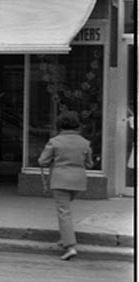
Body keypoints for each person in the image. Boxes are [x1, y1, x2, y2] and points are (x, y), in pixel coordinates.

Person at [38, 111, 94, 261]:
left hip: (60, 181)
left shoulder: (54, 141)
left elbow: (42, 161)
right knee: (66, 211)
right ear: (76, 125)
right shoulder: (85, 142)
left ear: (60, 125)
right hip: (79, 182)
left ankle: (70, 246)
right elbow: (89, 164)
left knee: (64, 213)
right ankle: (65, 237)